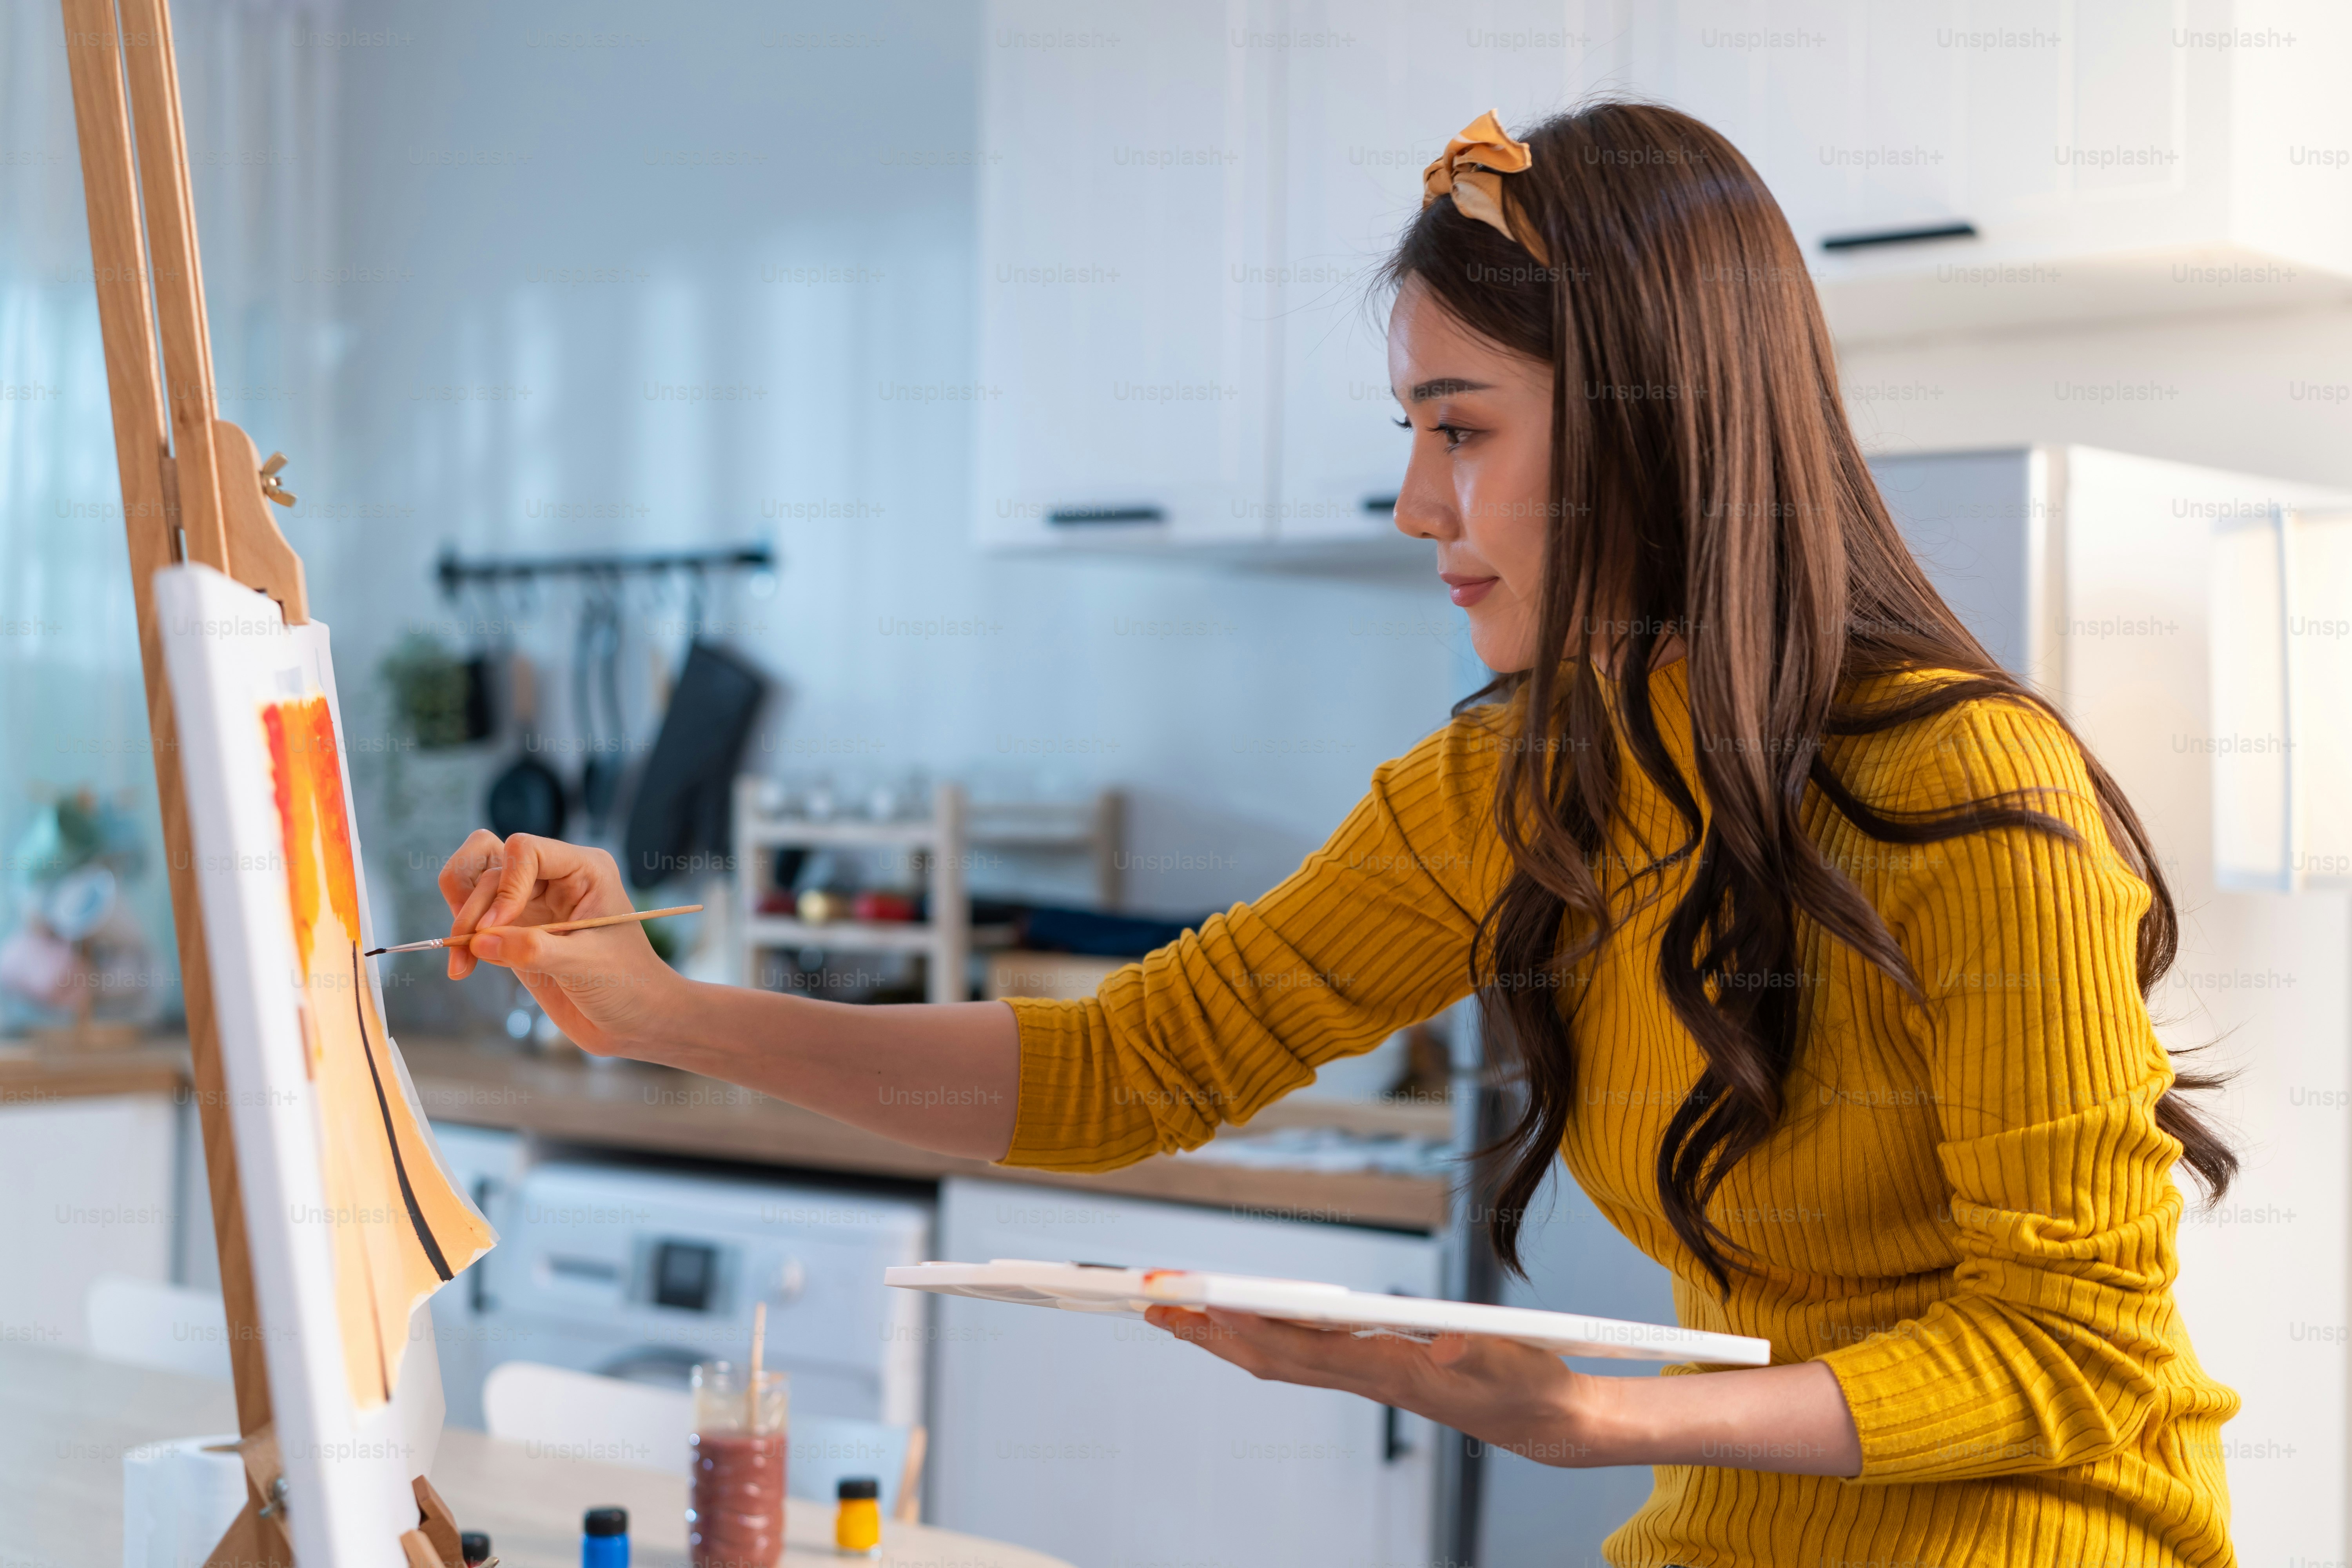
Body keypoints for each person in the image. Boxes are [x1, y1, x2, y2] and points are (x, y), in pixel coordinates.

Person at [434, 103, 2239, 1566]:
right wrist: (659, 1010)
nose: (1414, 503)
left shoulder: (1973, 795)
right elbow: (1144, 1062)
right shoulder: (1523, 788)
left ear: (1650, 430)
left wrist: (1603, 1414)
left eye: (1462, 428)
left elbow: (2071, 1350)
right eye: (1413, 431)